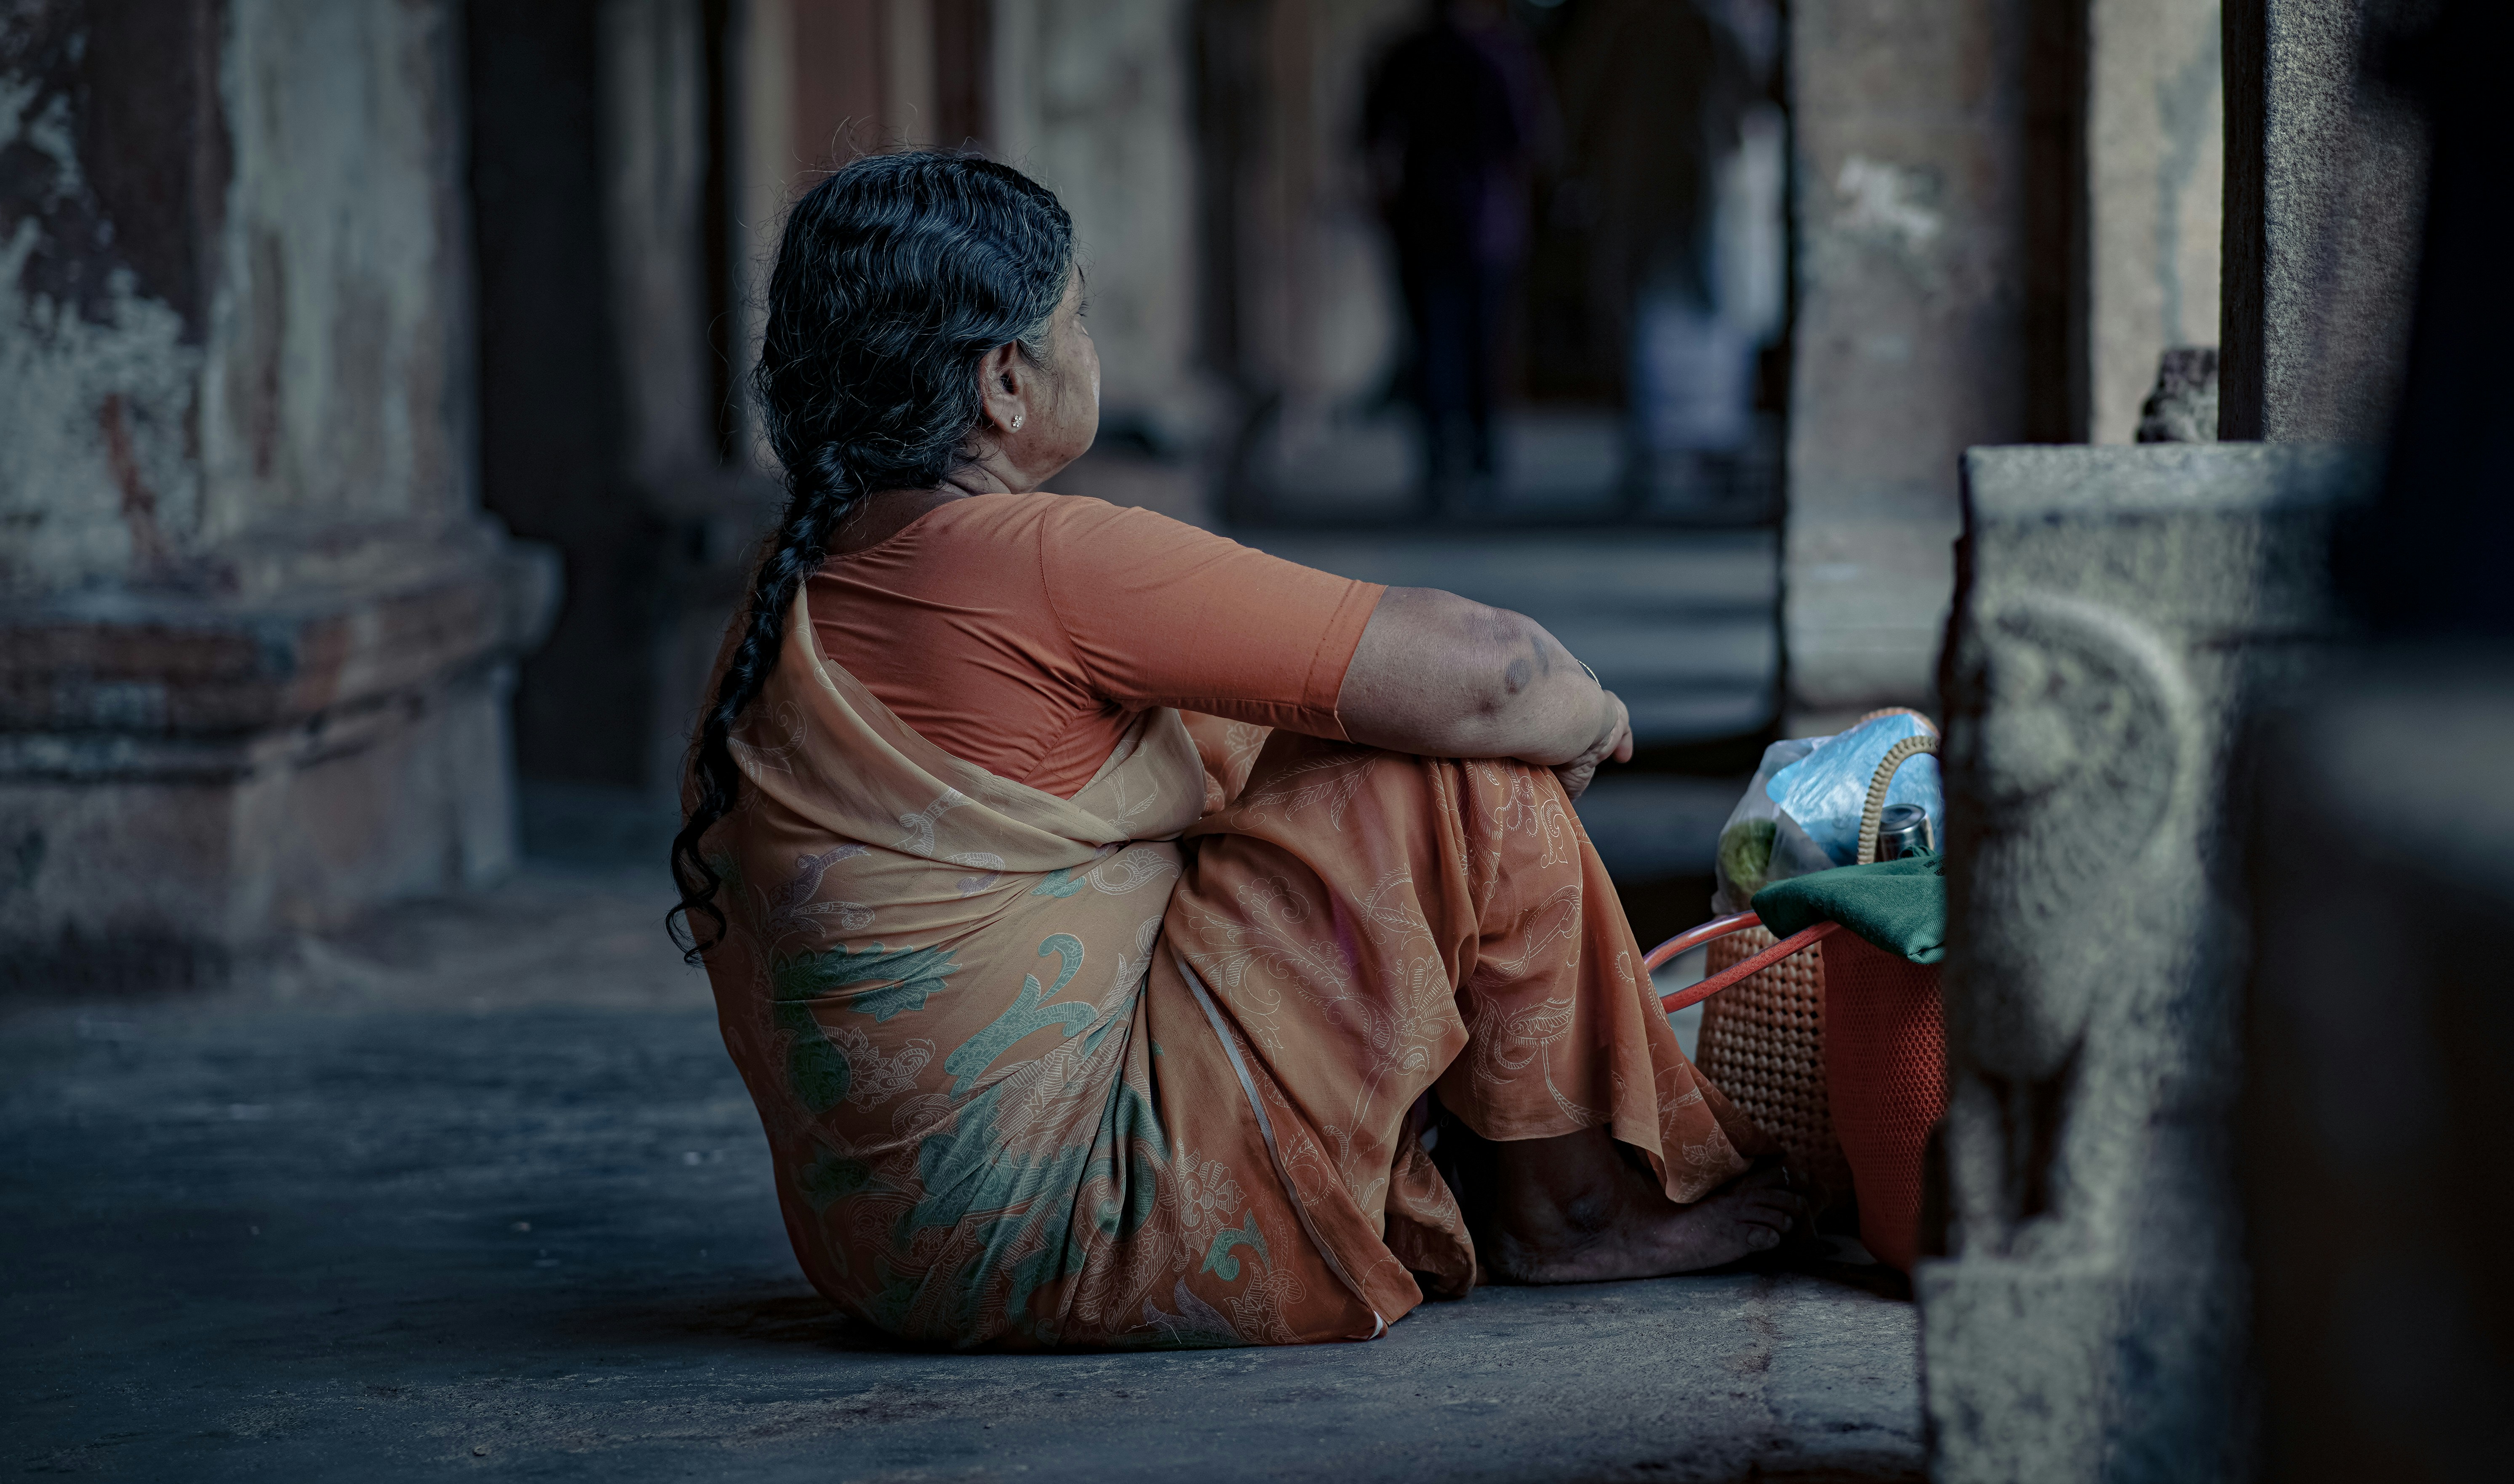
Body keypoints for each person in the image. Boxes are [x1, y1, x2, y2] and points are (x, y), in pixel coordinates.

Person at [670, 151, 1800, 1350]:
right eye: (1081, 318)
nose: (1090, 343)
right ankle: (1573, 1205)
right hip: (1083, 1229)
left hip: (891, 1256)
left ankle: (1507, 1168)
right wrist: (1586, 723)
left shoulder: (794, 588)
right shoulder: (1026, 560)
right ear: (1005, 381)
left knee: (1293, 722)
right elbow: (1495, 674)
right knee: (1467, 778)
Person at [1361, 0, 1550, 509]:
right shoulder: (1502, 55)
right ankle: (1484, 454)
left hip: (1424, 216)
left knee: (1435, 341)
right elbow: (1527, 138)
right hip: (1488, 222)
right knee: (1483, 342)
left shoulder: (1409, 53)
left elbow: (1373, 135)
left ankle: (1442, 457)